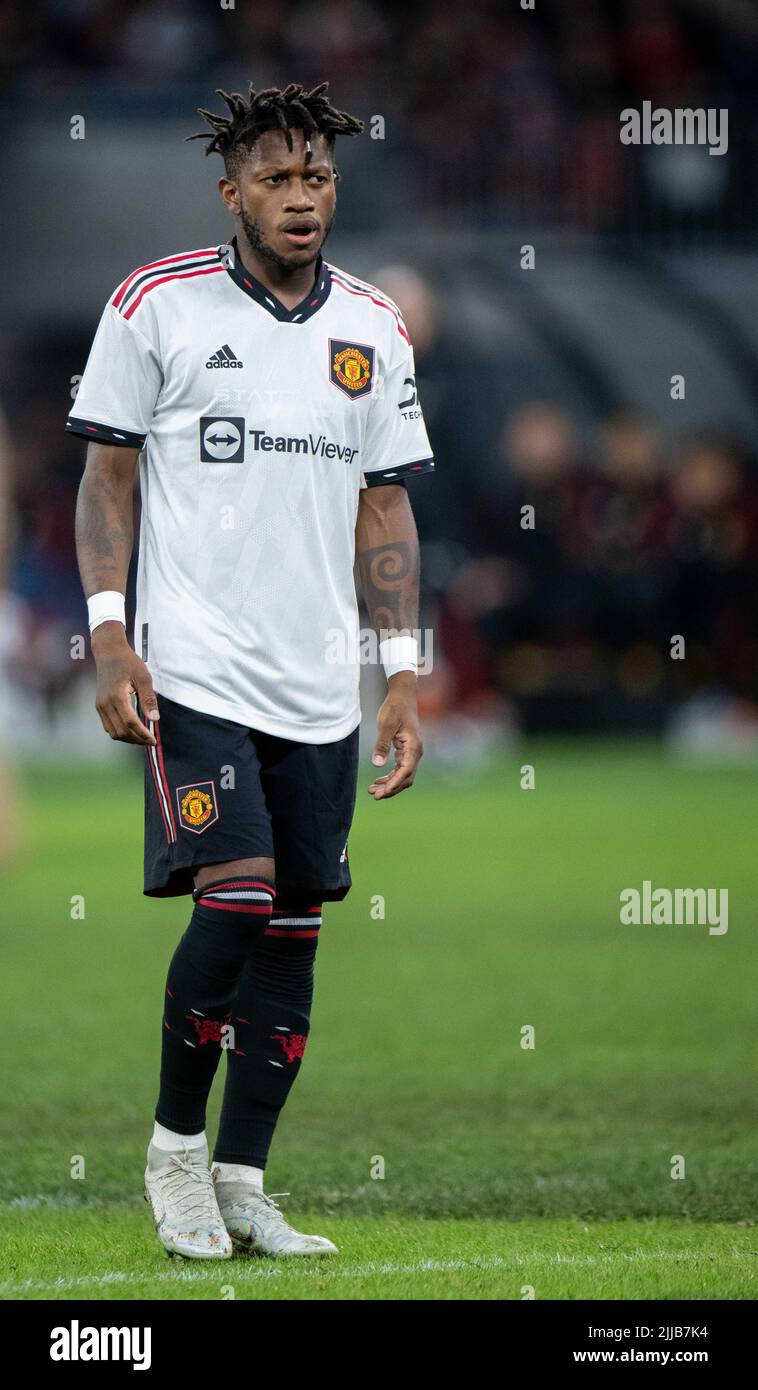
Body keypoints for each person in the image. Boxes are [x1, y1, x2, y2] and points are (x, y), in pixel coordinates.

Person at [69, 81, 434, 1260]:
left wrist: (399, 673)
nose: (300, 198)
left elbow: (385, 507)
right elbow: (107, 478)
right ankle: (174, 1153)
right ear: (230, 193)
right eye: (276, 180)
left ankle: (243, 1181)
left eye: (317, 178)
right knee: (231, 895)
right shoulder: (154, 305)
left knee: (290, 929)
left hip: (319, 682)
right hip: (196, 667)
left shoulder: (374, 328)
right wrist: (112, 632)